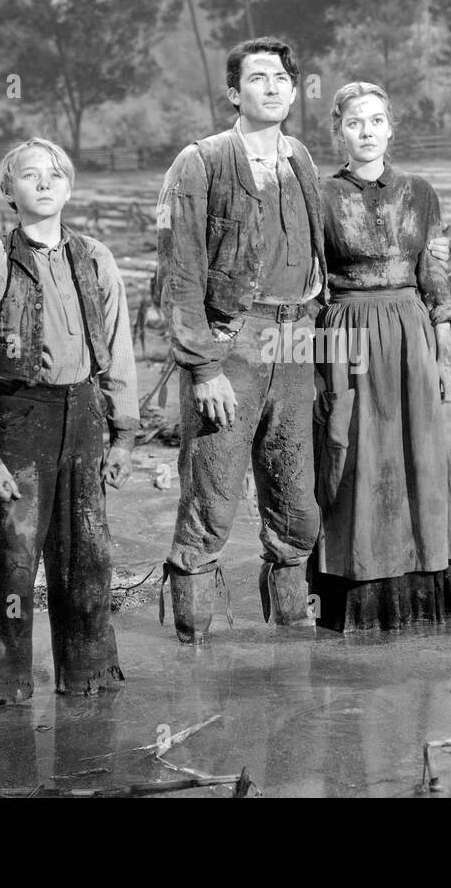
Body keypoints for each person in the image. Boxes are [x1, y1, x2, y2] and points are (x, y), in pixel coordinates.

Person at [153, 36, 326, 643]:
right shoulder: (199, 163)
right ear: (234, 93)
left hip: (296, 341)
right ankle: (193, 643)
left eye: (282, 77)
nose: (274, 87)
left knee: (298, 504)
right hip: (235, 342)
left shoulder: (300, 158)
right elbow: (180, 277)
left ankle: (291, 630)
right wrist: (203, 369)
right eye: (258, 79)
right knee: (212, 504)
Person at [0, 137, 138, 703]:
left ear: (70, 187)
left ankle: (88, 674)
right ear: (7, 191)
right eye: (30, 176)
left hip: (84, 414)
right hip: (20, 418)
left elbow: (120, 348)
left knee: (86, 553)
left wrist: (124, 436)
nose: (44, 183)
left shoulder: (96, 258)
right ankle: (0, 681)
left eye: (55, 174)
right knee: (10, 558)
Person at [310, 82, 451, 631]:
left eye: (377, 121)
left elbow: (435, 275)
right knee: (354, 450)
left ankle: (423, 581)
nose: (368, 131)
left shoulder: (420, 192)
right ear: (339, 132)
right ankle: (357, 586)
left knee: (419, 451)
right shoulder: (320, 195)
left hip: (410, 332)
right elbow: (310, 284)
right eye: (356, 123)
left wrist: (444, 356)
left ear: (391, 128)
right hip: (347, 331)